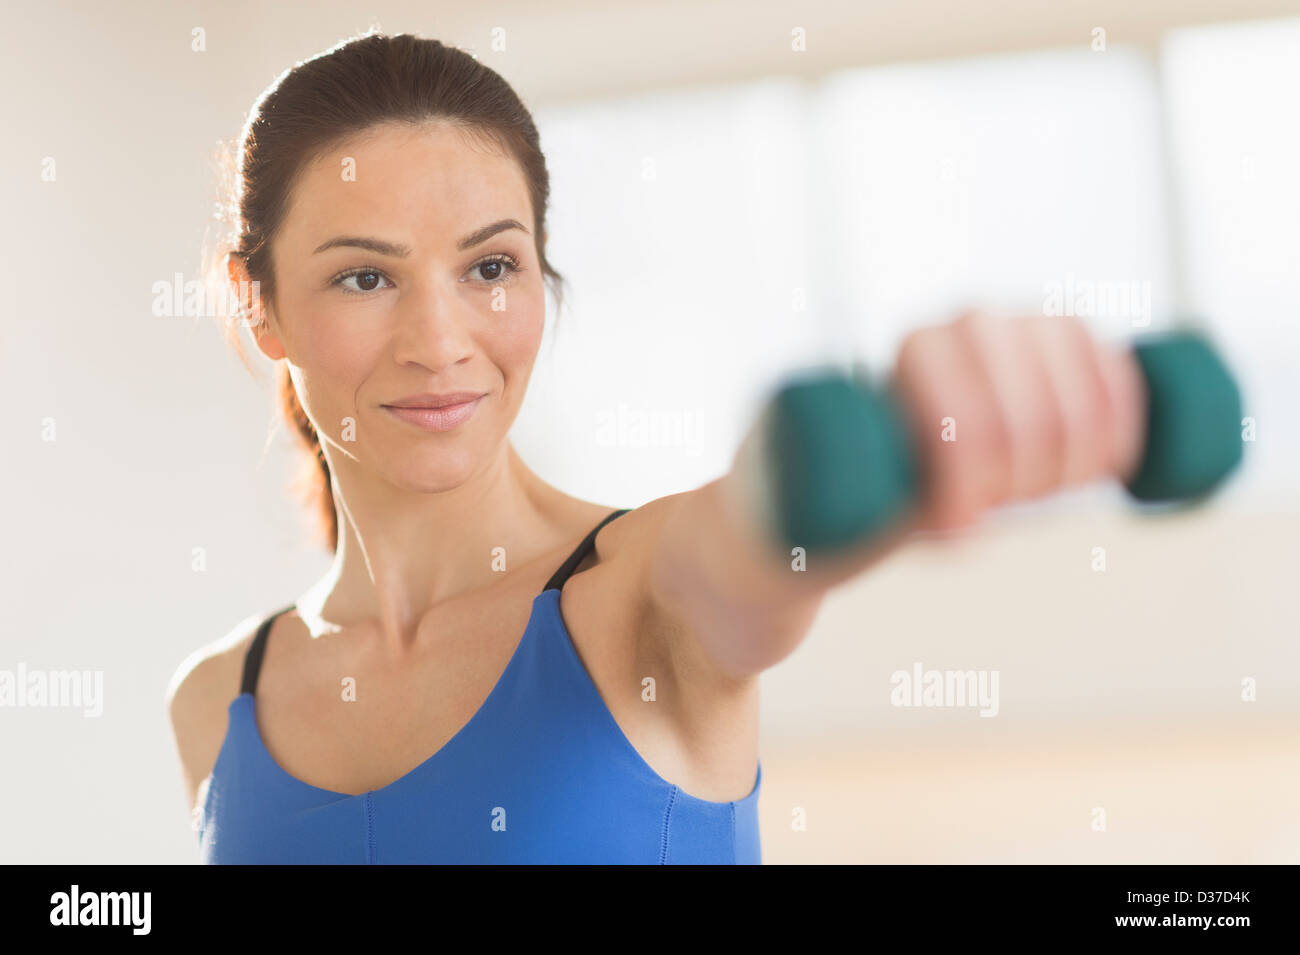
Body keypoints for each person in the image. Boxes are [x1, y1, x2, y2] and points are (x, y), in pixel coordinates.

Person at [165, 32, 1146, 864]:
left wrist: (892, 439)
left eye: (490, 266)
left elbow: (743, 554)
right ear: (259, 305)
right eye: (365, 279)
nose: (439, 339)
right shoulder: (217, 701)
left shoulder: (634, 597)